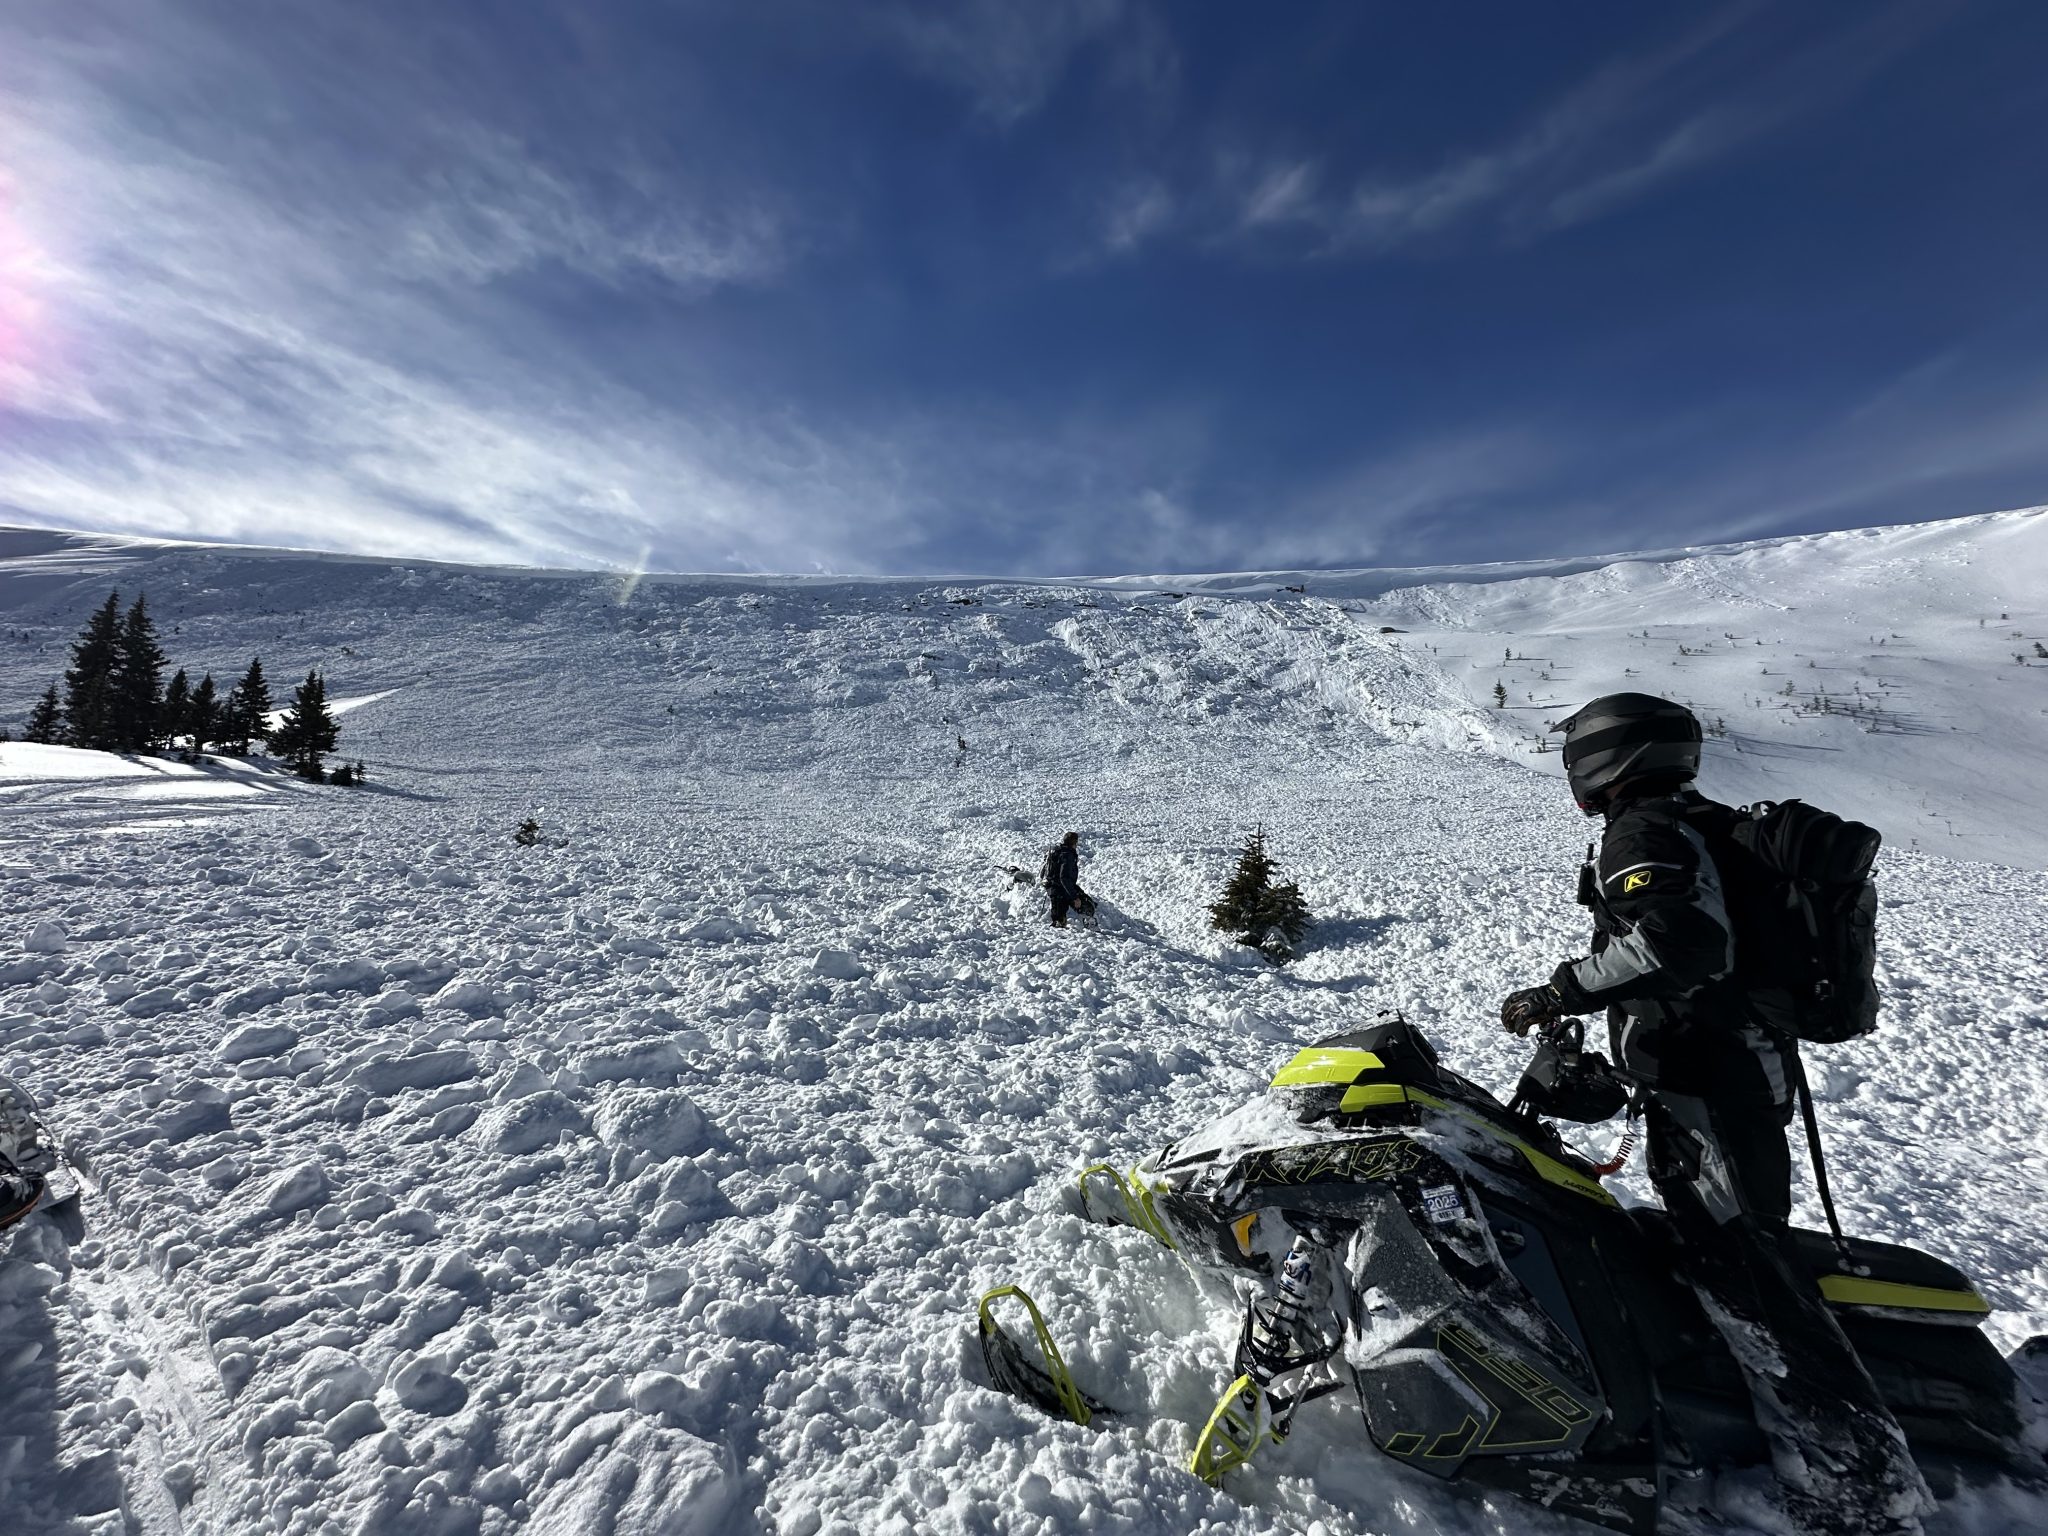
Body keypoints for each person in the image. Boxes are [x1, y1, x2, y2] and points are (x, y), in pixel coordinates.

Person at [1499, 693, 1929, 1536]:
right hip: (1723, 1069)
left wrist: (1562, 988)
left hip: (1714, 1076)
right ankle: (1777, 1422)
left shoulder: (1647, 832)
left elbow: (1682, 945)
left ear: (1608, 761)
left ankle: (1858, 1483)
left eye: (1577, 759)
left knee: (1744, 1263)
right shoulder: (1701, 820)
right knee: (1725, 1246)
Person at [1041, 831, 1087, 928]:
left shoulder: (1057, 851)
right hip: (1060, 891)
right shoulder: (1067, 856)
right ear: (1074, 843)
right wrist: (1074, 897)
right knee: (1059, 923)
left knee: (1057, 920)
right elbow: (1064, 878)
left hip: (1053, 888)